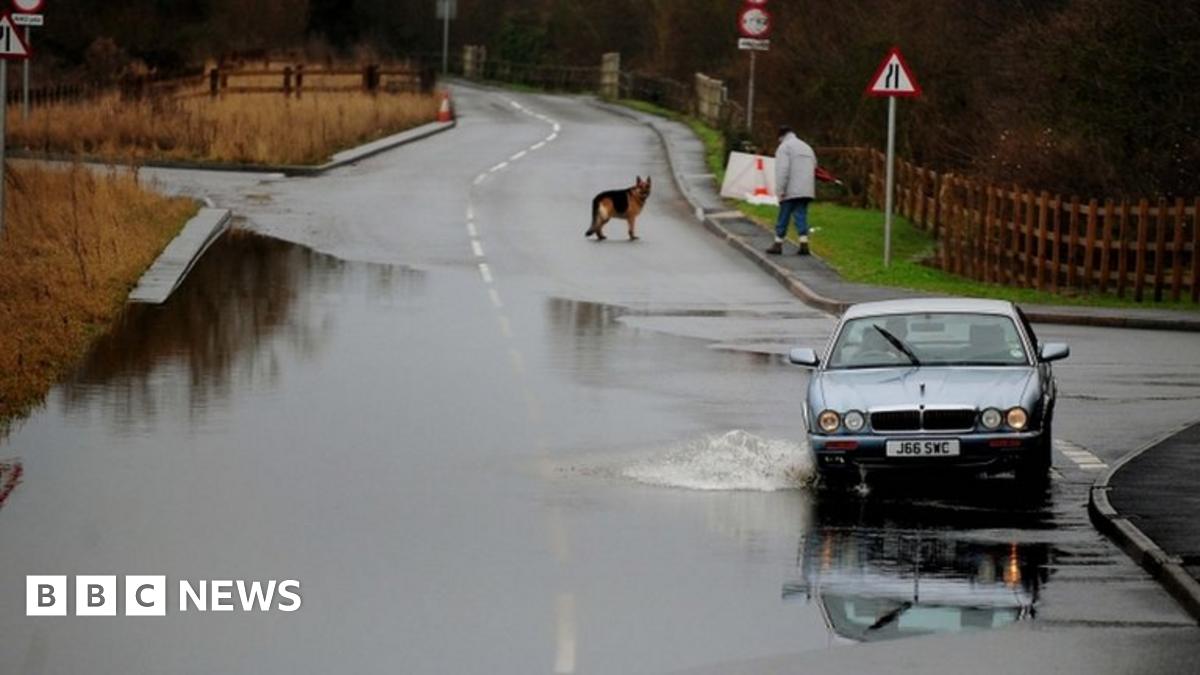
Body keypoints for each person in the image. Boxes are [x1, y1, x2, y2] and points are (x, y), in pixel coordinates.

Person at [767, 125, 817, 255]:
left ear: (781, 136)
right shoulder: (807, 147)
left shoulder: (784, 148)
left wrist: (780, 190)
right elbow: (815, 166)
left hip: (790, 189)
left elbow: (782, 170)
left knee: (784, 216)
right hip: (806, 189)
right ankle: (804, 243)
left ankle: (778, 244)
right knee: (801, 215)